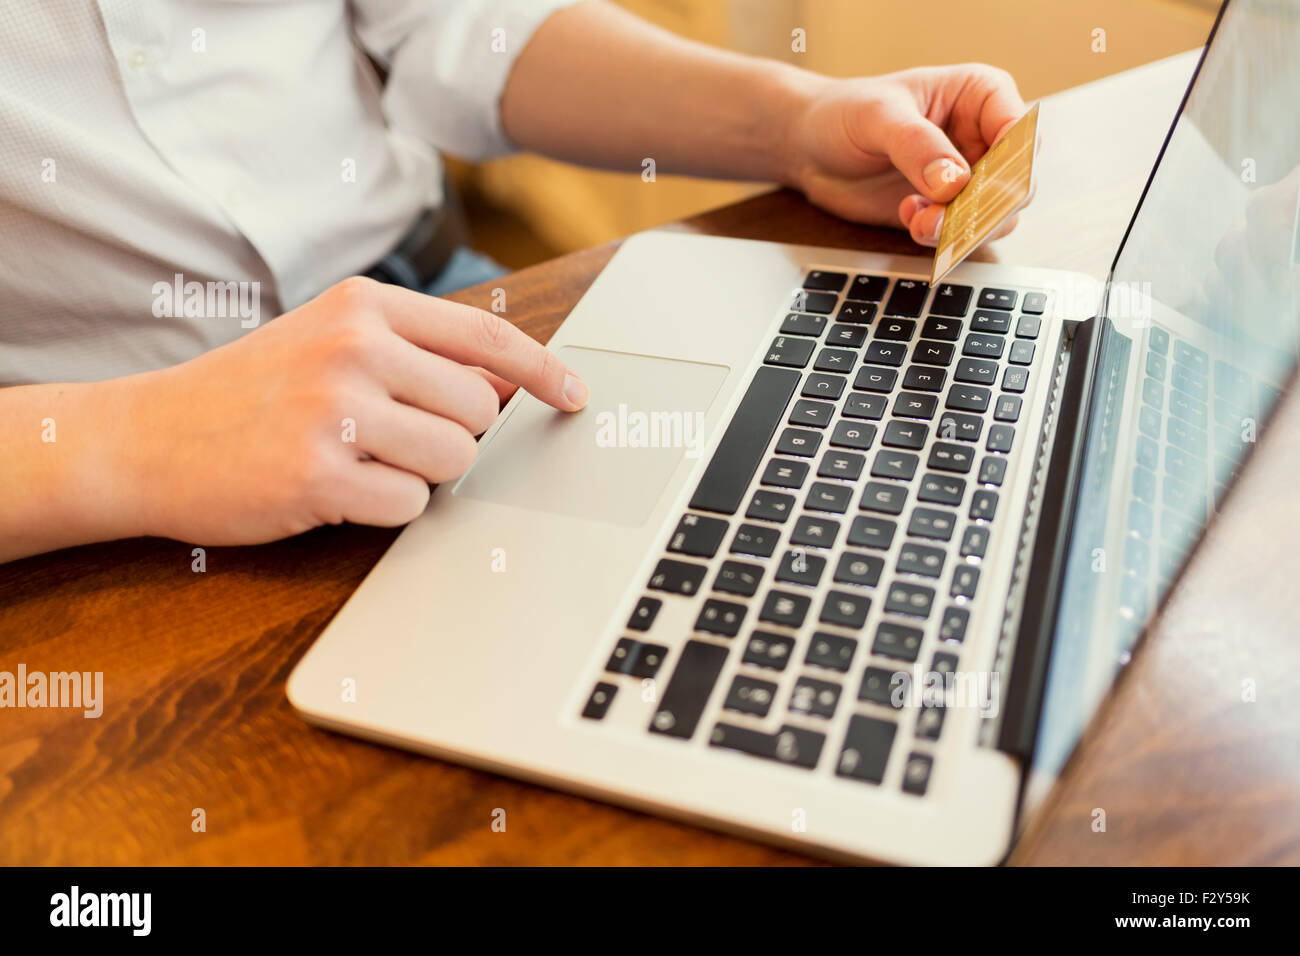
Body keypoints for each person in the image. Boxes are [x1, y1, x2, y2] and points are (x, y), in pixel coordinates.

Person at [0, 0, 1028, 562]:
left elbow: (448, 24)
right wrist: (138, 440)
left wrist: (793, 125)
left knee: (758, 548)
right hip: (85, 489)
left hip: (440, 308)